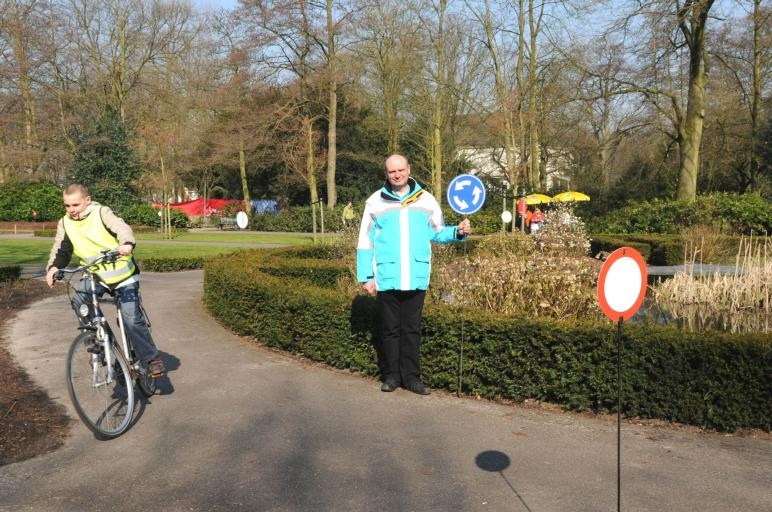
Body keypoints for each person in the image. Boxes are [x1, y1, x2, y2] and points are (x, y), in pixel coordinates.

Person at [357, 154, 471, 395]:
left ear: (409, 169)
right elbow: (364, 240)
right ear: (386, 174)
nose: (397, 174)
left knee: (411, 329)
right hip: (387, 275)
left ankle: (412, 378)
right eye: (391, 171)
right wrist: (366, 276)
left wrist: (458, 232)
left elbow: (438, 232)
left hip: (417, 275)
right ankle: (392, 376)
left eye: (401, 170)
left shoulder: (427, 200)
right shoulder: (375, 202)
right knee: (389, 329)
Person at [45, 184, 165, 378]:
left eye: (75, 204)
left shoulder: (101, 213)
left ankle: (151, 358)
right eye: (67, 206)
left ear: (88, 200)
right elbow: (61, 249)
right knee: (79, 300)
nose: (71, 210)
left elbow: (121, 228)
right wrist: (53, 268)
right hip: (95, 276)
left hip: (123, 276)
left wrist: (126, 243)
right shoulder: (65, 223)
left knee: (131, 319)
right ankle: (98, 344)